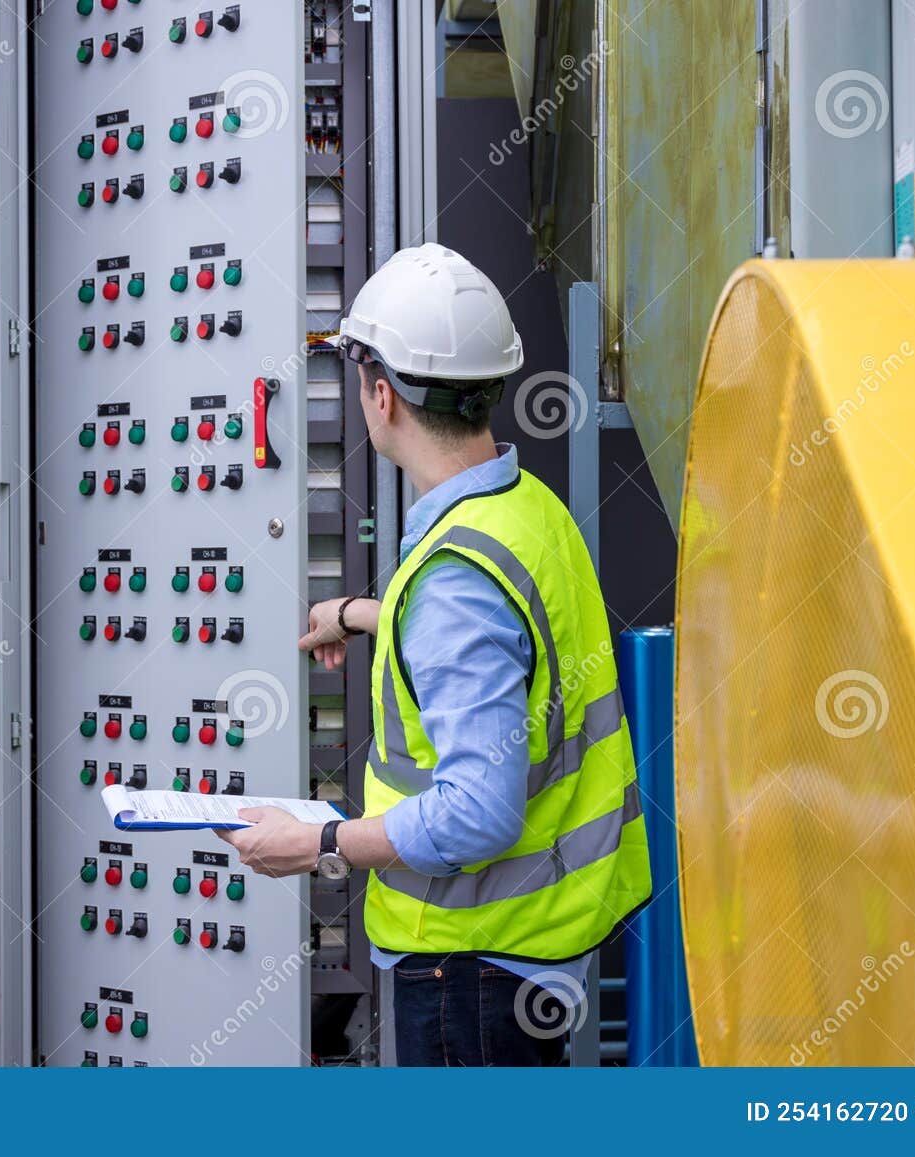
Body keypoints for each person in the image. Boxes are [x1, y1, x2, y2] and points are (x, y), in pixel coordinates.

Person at [219, 243, 651, 1066]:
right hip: (532, 946)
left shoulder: (456, 580)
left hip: (471, 967)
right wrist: (361, 613)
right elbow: (516, 650)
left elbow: (476, 813)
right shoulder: (525, 507)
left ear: (382, 395)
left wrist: (319, 845)